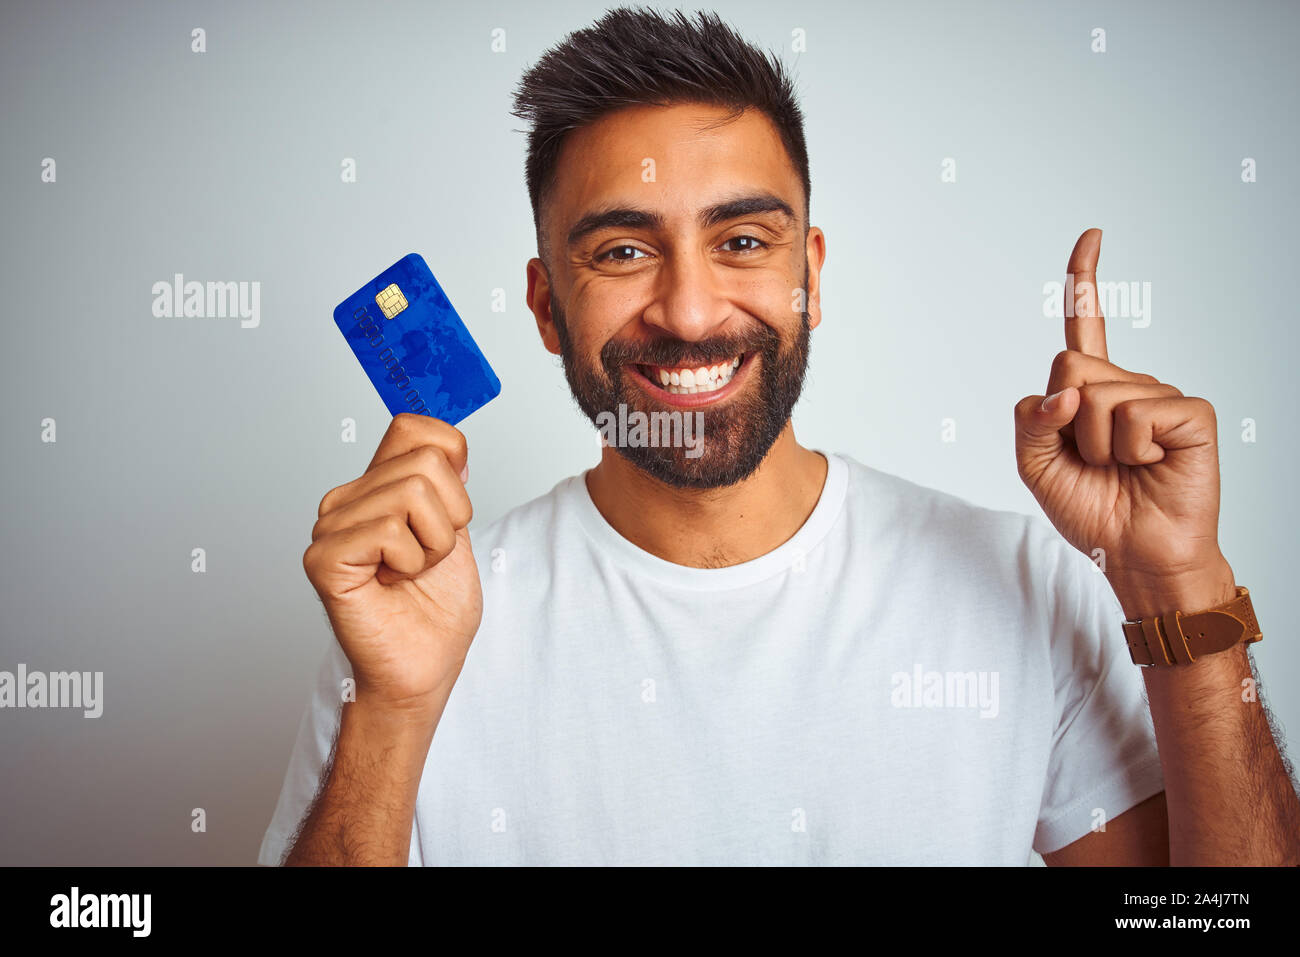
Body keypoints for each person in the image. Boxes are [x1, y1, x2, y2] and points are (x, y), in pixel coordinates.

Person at [259, 6, 1299, 866]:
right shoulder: (422, 621)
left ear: (811, 275)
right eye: (623, 249)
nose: (693, 311)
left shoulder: (1020, 581)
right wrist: (393, 712)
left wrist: (1177, 590)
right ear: (545, 308)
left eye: (743, 241)